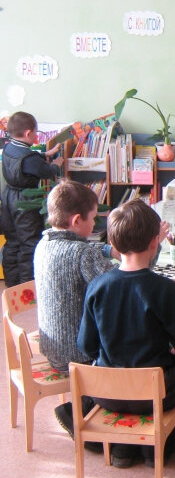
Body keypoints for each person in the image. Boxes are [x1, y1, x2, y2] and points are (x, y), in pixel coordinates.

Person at [77, 199, 175, 468]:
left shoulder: (97, 286)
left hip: (106, 392)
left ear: (113, 244)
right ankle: (162, 442)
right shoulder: (164, 288)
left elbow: (86, 346)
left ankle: (125, 448)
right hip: (156, 391)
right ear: (154, 242)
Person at [33, 181, 116, 438]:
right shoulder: (82, 254)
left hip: (52, 348)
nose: (95, 225)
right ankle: (86, 406)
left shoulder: (43, 244)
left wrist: (107, 249)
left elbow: (82, 250)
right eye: (93, 219)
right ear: (77, 220)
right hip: (79, 355)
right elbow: (119, 285)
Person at [1, 111, 63, 286]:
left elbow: (28, 158)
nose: (36, 136)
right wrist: (56, 165)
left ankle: (12, 284)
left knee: (12, 241)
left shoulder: (9, 147)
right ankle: (27, 287)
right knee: (29, 243)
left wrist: (46, 153)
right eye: (36, 133)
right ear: (29, 133)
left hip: (7, 197)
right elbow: (46, 171)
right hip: (24, 201)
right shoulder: (29, 158)